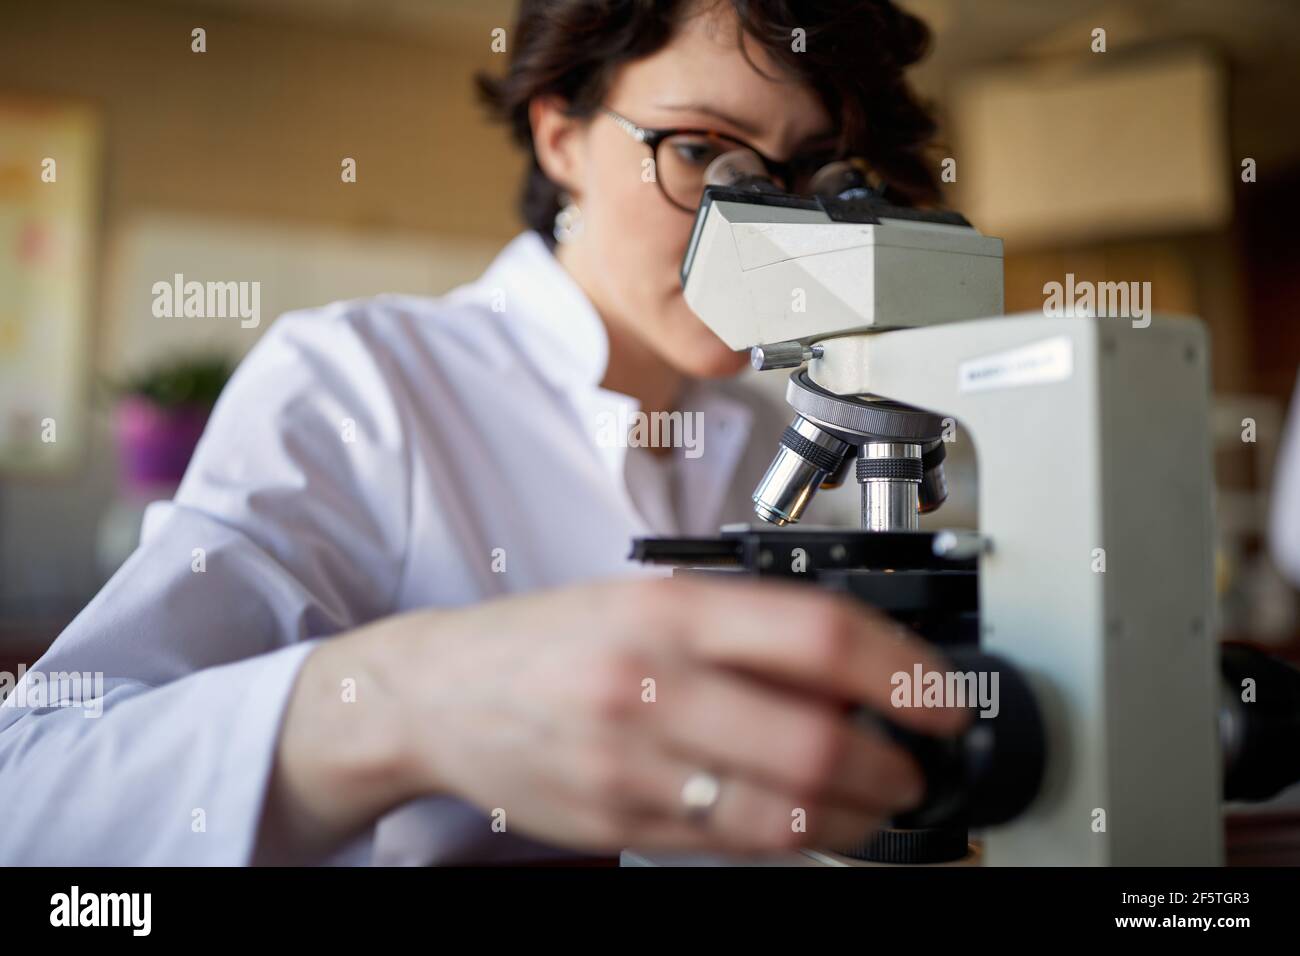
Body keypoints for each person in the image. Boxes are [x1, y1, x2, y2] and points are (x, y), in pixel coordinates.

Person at [0, 0, 967, 865]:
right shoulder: (360, 380)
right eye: (703, 151)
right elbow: (32, 789)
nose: (773, 231)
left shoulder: (777, 424)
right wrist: (415, 697)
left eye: (808, 176)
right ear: (560, 137)